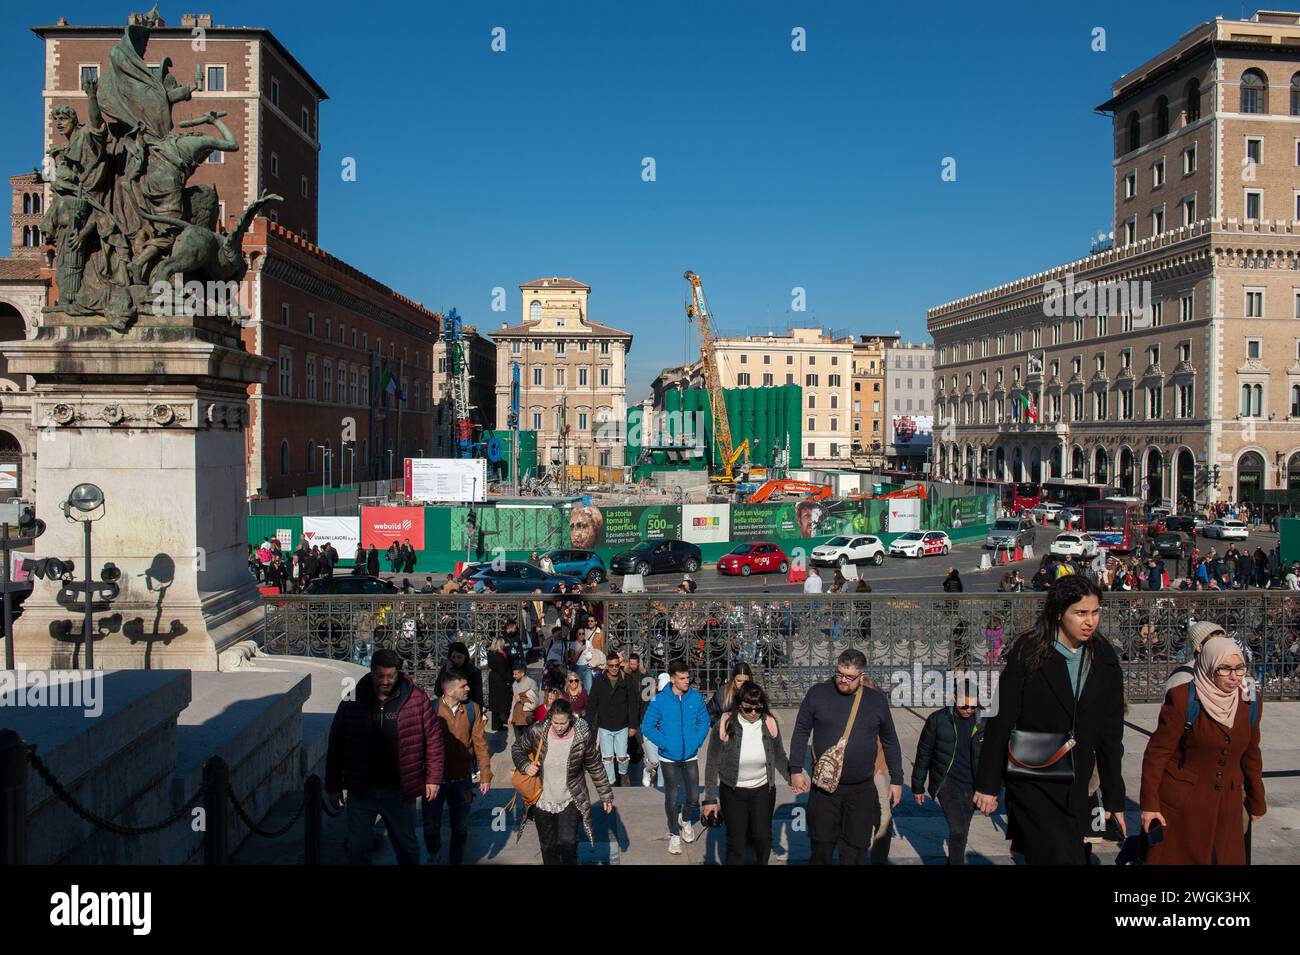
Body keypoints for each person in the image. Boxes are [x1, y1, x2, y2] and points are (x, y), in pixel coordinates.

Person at [974, 575, 1127, 864]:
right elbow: (1000, 720)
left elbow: (1110, 733)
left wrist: (1114, 797)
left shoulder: (1104, 657)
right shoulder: (1029, 652)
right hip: (1034, 777)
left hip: (1078, 779)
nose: (1089, 621)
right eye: (1080, 613)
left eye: (1095, 612)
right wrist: (988, 785)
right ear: (1059, 613)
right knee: (1055, 852)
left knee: (1072, 852)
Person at [1140, 636, 1265, 864]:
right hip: (1184, 805)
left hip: (1228, 805)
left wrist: (1257, 799)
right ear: (1208, 666)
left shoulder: (1251, 701)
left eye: (1240, 668)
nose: (1234, 675)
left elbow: (1251, 753)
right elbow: (1156, 755)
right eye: (1225, 669)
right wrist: (1150, 805)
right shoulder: (1182, 698)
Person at [324, 648, 443, 865]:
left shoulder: (415, 698)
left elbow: (434, 739)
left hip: (399, 789)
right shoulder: (353, 698)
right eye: (380, 676)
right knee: (357, 847)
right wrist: (333, 784)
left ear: (398, 673)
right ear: (371, 673)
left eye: (391, 676)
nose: (386, 681)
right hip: (362, 788)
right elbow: (337, 741)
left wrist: (433, 778)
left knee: (407, 848)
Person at [788, 649, 903, 865]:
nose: (842, 680)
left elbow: (890, 739)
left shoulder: (876, 700)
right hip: (824, 790)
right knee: (821, 848)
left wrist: (897, 779)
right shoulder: (818, 693)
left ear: (861, 676)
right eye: (839, 674)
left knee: (855, 851)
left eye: (849, 677)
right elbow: (801, 731)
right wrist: (795, 769)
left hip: (861, 790)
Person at [512, 698, 614, 865]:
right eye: (555, 722)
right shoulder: (538, 731)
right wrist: (525, 765)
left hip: (570, 798)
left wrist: (606, 795)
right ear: (550, 717)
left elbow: (595, 765)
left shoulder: (581, 736)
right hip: (542, 799)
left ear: (571, 719)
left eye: (563, 723)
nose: (559, 727)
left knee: (568, 842)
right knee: (548, 845)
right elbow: (517, 748)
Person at [701, 682, 790, 865]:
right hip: (733, 791)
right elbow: (712, 763)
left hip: (763, 789)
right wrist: (709, 800)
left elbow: (779, 756)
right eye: (748, 709)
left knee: (762, 836)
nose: (753, 714)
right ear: (739, 704)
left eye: (758, 709)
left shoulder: (769, 722)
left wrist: (793, 777)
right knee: (736, 841)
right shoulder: (725, 723)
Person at [641, 659, 711, 855]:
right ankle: (673, 835)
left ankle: (686, 820)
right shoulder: (660, 700)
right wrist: (665, 742)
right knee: (672, 798)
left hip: (690, 755)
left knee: (693, 796)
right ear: (672, 679)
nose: (686, 681)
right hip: (669, 758)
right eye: (682, 678)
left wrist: (696, 740)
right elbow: (646, 726)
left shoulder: (695, 698)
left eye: (688, 677)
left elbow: (704, 721)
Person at [912, 683, 985, 864]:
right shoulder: (937, 720)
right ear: (954, 699)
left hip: (973, 785)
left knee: (962, 831)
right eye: (964, 706)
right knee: (958, 830)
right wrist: (918, 786)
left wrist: (993, 788)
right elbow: (924, 753)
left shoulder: (985, 720)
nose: (968, 710)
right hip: (947, 783)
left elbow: (994, 756)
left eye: (973, 706)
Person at [424, 669, 492, 864]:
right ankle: (434, 851)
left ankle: (456, 860)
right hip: (434, 781)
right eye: (463, 686)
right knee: (430, 824)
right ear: (449, 691)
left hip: (462, 779)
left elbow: (480, 743)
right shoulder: (431, 709)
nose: (468, 689)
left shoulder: (473, 709)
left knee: (460, 827)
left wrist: (485, 775)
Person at [586, 649, 637, 787]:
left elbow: (633, 703)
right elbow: (592, 703)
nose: (614, 668)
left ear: (619, 665)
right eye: (611, 666)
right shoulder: (599, 680)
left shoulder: (627, 680)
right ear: (607, 666)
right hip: (604, 724)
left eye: (616, 665)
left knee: (621, 756)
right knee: (607, 758)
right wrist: (588, 723)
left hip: (622, 724)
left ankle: (623, 774)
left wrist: (633, 725)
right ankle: (611, 782)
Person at [437, 642, 484, 709]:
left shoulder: (474, 672)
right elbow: (438, 692)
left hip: (468, 709)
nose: (456, 660)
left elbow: (478, 696)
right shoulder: (446, 669)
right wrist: (446, 674)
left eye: (459, 657)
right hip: (449, 709)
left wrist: (479, 714)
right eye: (453, 657)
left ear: (465, 656)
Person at [486, 638, 513, 732]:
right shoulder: (500, 656)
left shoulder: (490, 654)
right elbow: (503, 670)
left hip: (493, 678)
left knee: (495, 702)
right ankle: (498, 724)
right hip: (500, 680)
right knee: (501, 701)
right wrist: (509, 680)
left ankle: (496, 724)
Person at [509, 662, 540, 742]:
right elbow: (514, 700)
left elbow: (535, 701)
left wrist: (522, 698)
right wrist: (511, 716)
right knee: (518, 741)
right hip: (516, 716)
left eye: (516, 674)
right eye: (513, 674)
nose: (513, 676)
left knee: (527, 741)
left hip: (526, 717)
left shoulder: (532, 683)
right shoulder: (515, 684)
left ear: (522, 673)